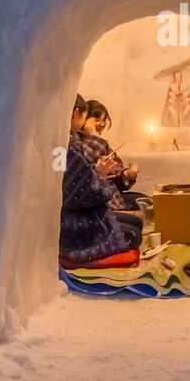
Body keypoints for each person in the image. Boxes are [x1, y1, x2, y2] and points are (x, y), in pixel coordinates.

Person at [61, 94, 140, 265]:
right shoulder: (71, 146)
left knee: (136, 220)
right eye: (96, 118)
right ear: (76, 113)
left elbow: (70, 181)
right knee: (135, 233)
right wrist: (101, 174)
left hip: (79, 211)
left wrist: (122, 174)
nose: (101, 124)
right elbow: (87, 193)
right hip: (78, 219)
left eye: (105, 120)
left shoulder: (63, 144)